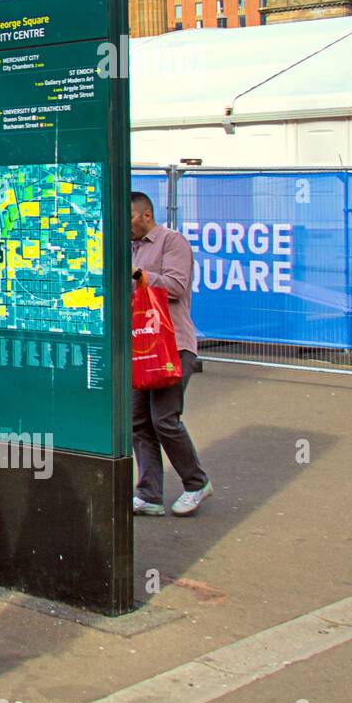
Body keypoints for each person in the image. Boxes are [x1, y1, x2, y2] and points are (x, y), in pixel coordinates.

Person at [131, 191, 213, 516]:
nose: (125, 226)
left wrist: (140, 277)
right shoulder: (131, 248)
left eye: (130, 218)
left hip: (173, 347)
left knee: (164, 419)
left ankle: (196, 483)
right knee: (139, 421)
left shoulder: (172, 241)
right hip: (142, 349)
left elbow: (177, 287)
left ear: (145, 215)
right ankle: (149, 495)